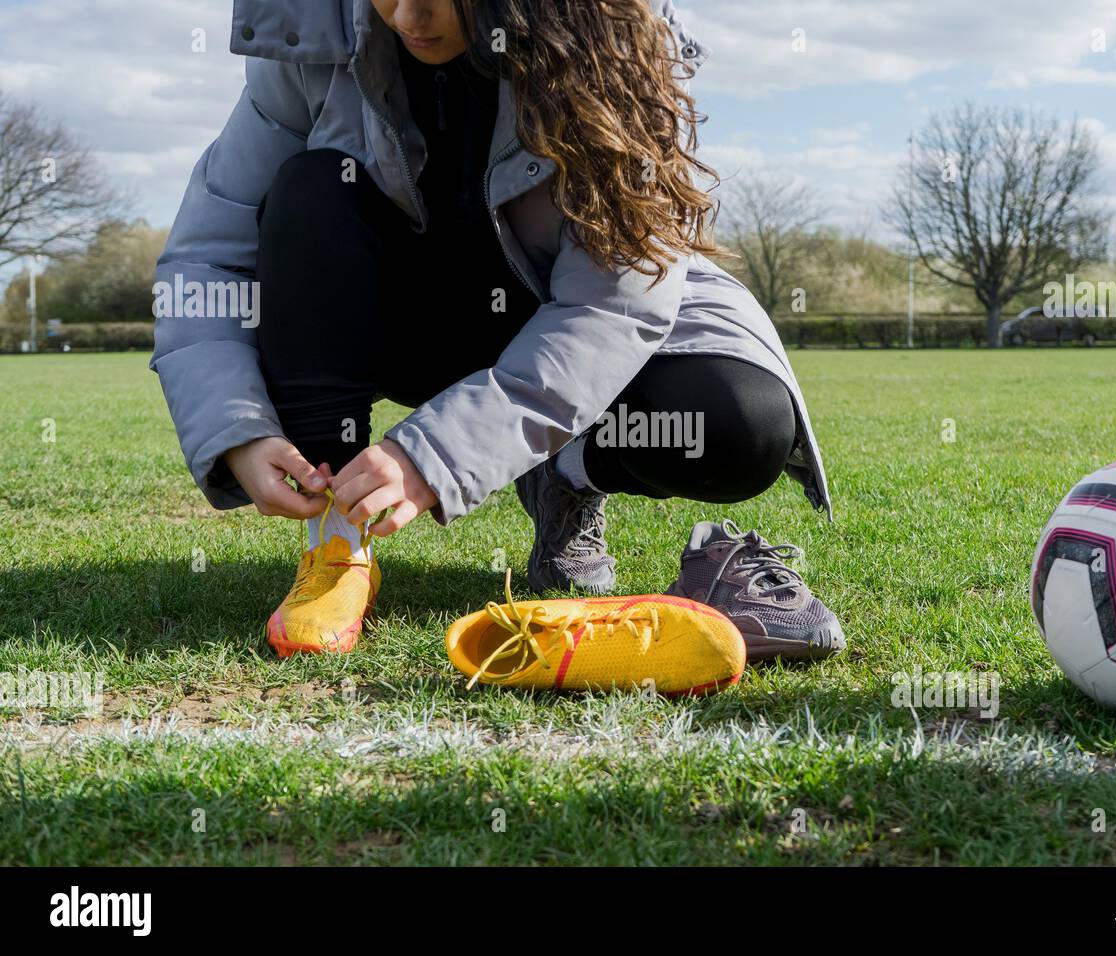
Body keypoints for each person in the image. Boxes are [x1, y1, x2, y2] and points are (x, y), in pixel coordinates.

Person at [151, 0, 842, 663]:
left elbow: (609, 308)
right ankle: (336, 543)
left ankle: (561, 473)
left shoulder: (619, 46)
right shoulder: (311, 41)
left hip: (567, 314)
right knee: (309, 191)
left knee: (737, 426)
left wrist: (435, 458)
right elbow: (209, 254)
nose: (411, 17)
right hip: (408, 318)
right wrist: (238, 428)